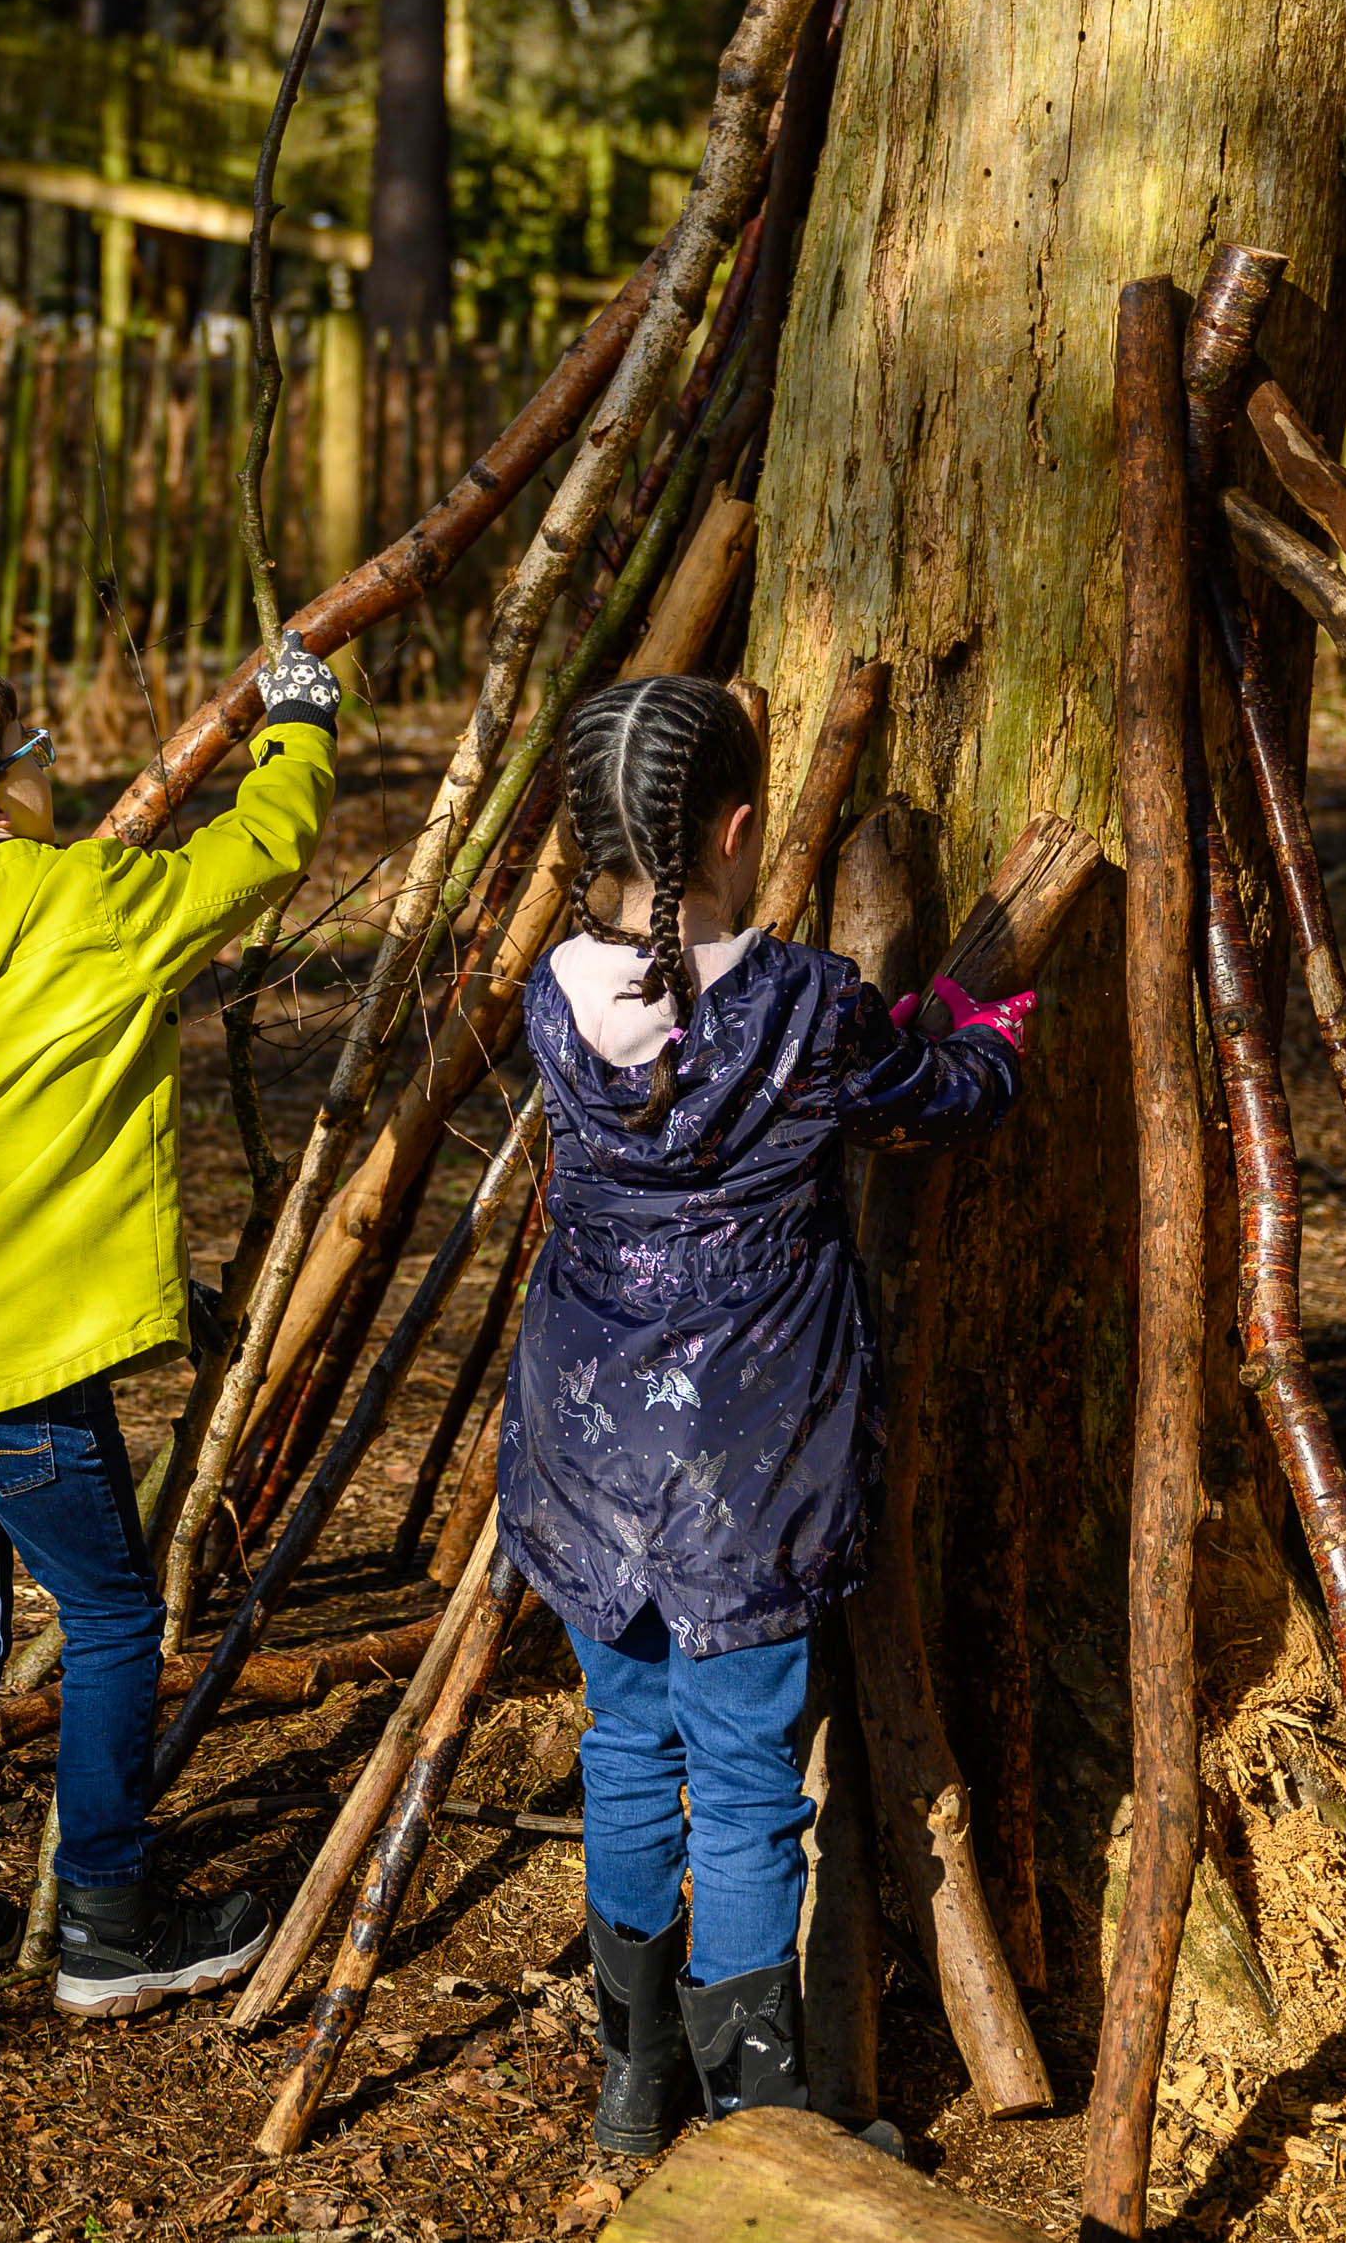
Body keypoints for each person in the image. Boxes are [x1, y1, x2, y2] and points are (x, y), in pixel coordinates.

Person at [496, 673, 1031, 2146]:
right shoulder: (807, 1005)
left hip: (590, 1443)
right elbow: (936, 1094)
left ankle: (634, 2074)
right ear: (738, 828)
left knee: (625, 1745)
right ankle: (759, 2110)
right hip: (752, 1458)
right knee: (743, 1778)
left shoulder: (552, 996)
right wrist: (989, 1029)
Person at [0, 637, 340, 2030]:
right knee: (110, 1617)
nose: (55, 765)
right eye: (32, 752)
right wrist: (294, 726)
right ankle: (109, 1918)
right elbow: (258, 854)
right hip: (11, 1362)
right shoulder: (83, 900)